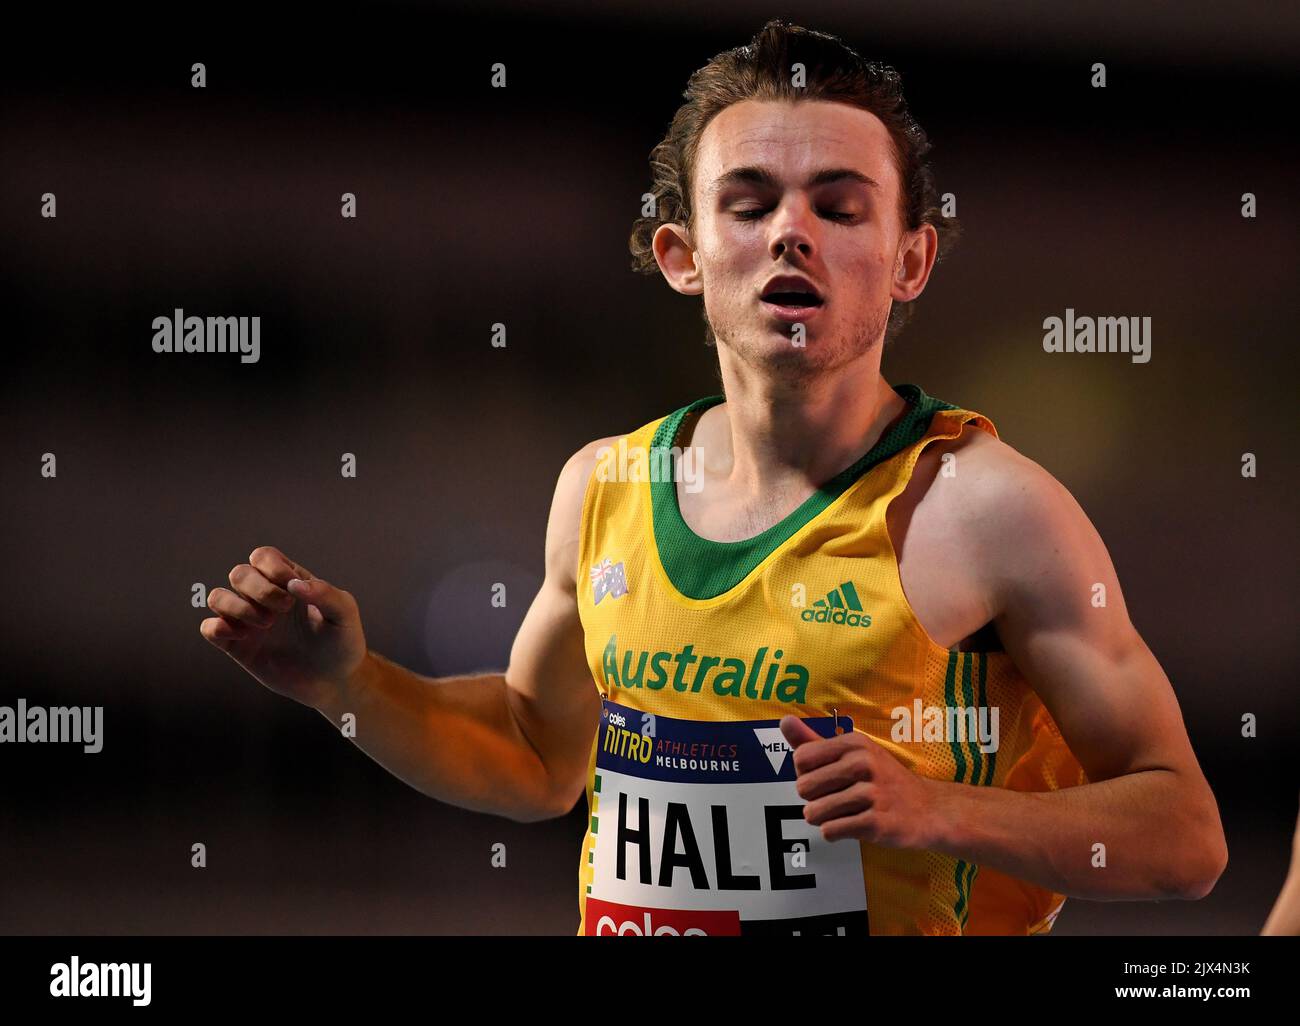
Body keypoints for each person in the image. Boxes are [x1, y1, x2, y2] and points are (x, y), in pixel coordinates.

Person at [200, 19, 1226, 935]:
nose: (791, 231)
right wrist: (349, 686)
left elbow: (1184, 838)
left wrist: (937, 807)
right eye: (749, 203)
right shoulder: (604, 488)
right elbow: (535, 753)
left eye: (839, 205)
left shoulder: (986, 509)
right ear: (681, 254)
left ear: (909, 261)